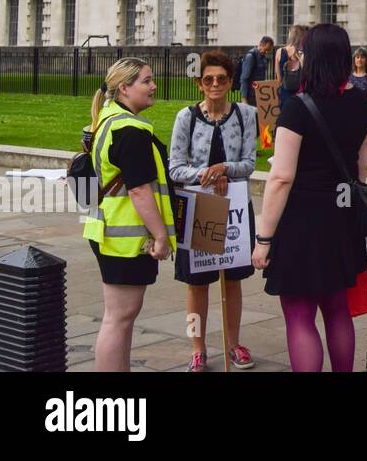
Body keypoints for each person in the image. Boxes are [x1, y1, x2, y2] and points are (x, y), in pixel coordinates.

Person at [252, 23, 367, 372]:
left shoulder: (298, 108)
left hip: (302, 220)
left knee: (300, 314)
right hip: (343, 214)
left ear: (313, 58)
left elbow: (280, 177)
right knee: (338, 309)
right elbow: (361, 171)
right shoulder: (363, 106)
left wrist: (263, 239)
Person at [82, 58, 177, 372]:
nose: (153, 86)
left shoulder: (108, 119)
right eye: (146, 81)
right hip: (127, 238)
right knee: (119, 319)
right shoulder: (130, 129)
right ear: (124, 88)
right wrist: (161, 237)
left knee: (118, 317)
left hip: (109, 232)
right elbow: (139, 190)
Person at [169, 50, 260, 372]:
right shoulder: (187, 117)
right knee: (197, 283)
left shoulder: (246, 114)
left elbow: (249, 163)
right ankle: (197, 346)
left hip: (234, 204)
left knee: (232, 280)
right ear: (199, 83)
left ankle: (233, 342)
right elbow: (176, 167)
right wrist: (206, 175)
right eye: (208, 79)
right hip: (200, 204)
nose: (215, 84)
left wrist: (225, 169)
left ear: (231, 81)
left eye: (222, 78)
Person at [275, 24, 309, 112]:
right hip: (300, 94)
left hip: (285, 93)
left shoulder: (279, 51)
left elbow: (278, 78)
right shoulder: (304, 52)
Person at [237, 35, 274, 107]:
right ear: (260, 44)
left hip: (258, 93)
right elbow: (244, 78)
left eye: (268, 50)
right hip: (250, 95)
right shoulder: (250, 57)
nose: (266, 52)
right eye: (265, 49)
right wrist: (243, 98)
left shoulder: (263, 58)